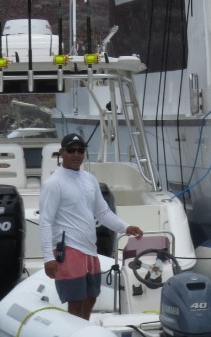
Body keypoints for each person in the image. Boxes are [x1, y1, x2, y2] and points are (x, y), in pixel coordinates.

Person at [40, 133, 144, 320]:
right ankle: (74, 331)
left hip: (89, 249)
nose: (76, 154)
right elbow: (45, 221)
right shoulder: (53, 183)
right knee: (76, 299)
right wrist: (48, 257)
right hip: (69, 249)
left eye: (80, 150)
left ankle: (84, 327)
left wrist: (126, 228)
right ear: (62, 153)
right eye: (71, 150)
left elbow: (103, 212)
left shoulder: (89, 179)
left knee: (91, 297)